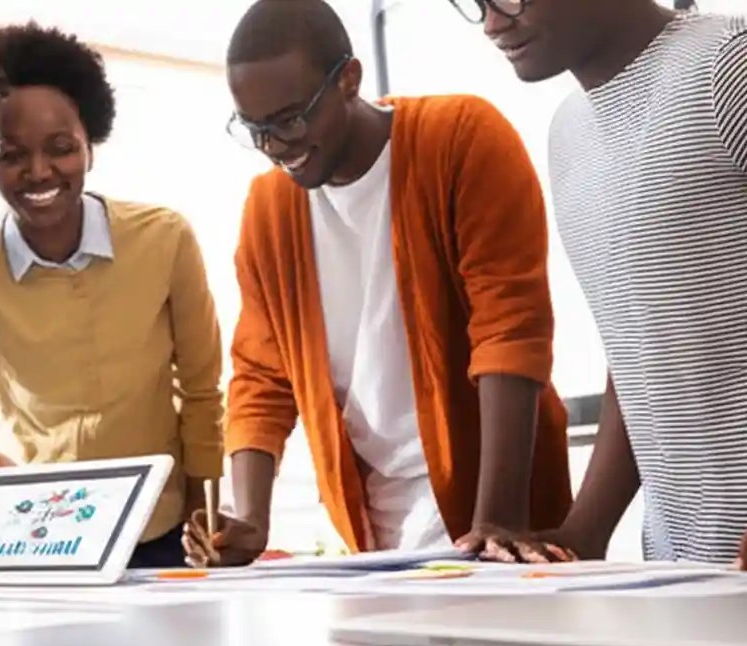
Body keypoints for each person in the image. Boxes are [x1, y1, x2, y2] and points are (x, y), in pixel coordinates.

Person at [183, 0, 573, 567]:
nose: (275, 148)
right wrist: (249, 520)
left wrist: (499, 523)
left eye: (290, 120)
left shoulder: (461, 139)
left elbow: (510, 330)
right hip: (374, 550)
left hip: (508, 520)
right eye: (255, 129)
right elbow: (261, 377)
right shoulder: (267, 212)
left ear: (348, 79)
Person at [0, 23, 224, 568]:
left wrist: (205, 528)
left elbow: (201, 394)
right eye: (10, 154)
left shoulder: (165, 240)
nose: (38, 171)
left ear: (90, 146)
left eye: (61, 149)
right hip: (45, 546)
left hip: (164, 534)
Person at [460, 0, 747, 567]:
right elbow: (641, 347)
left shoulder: (728, 63)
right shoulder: (568, 134)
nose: (493, 23)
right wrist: (582, 532)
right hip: (682, 573)